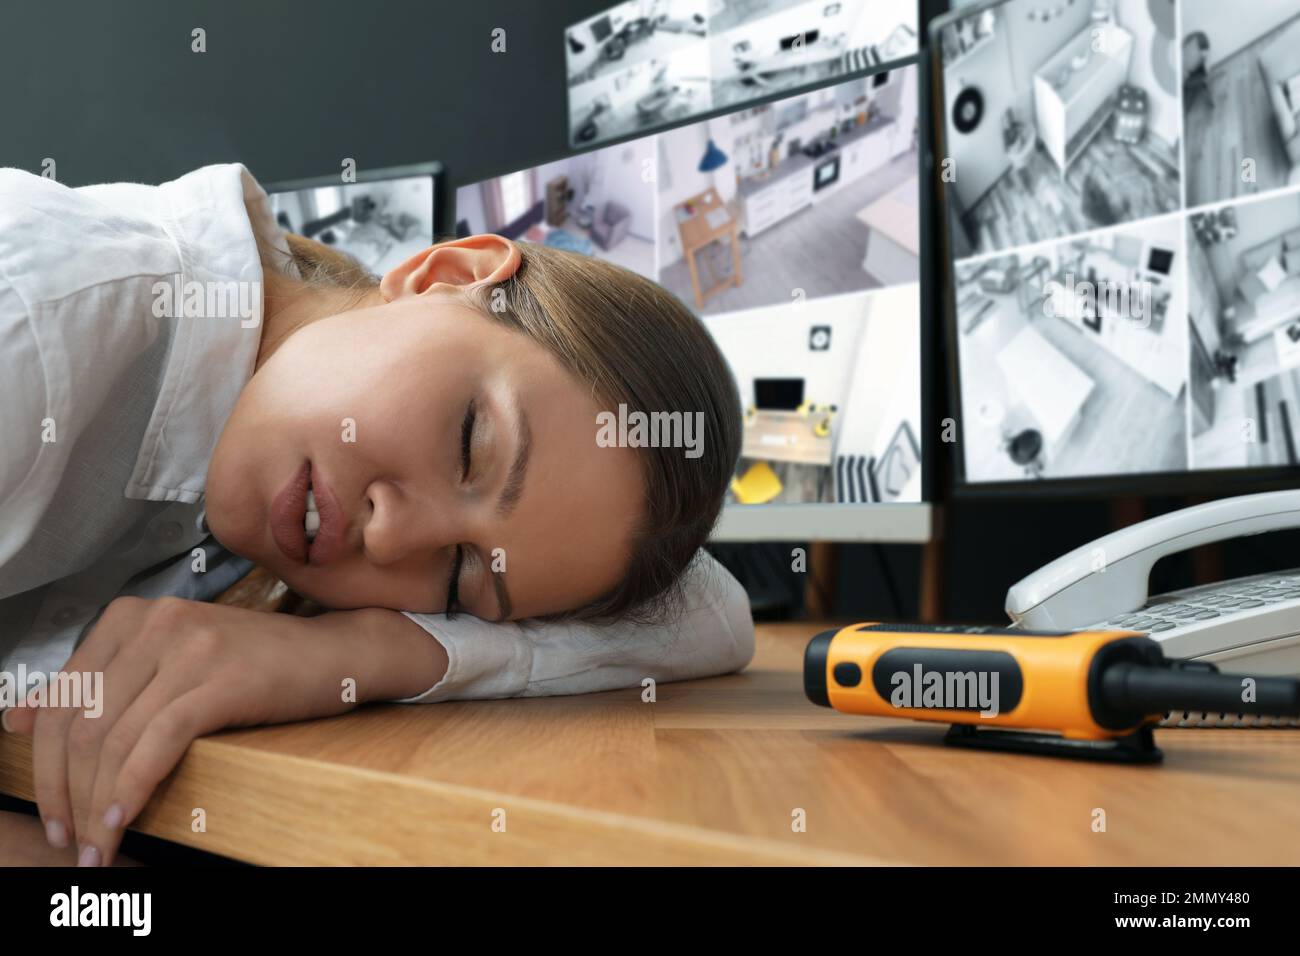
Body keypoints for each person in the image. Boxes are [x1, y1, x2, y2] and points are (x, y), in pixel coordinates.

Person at [0, 163, 751, 866]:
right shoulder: (36, 328)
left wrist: (362, 654)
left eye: (459, 580)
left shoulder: (272, 428)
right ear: (446, 275)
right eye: (468, 445)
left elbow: (714, 619)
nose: (394, 540)